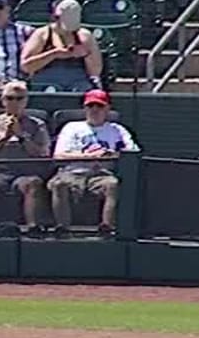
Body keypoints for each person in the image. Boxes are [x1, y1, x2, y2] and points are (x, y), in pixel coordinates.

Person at [48, 89, 138, 236]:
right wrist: (88, 156)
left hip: (101, 173)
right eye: (90, 106)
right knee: (58, 184)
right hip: (72, 172)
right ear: (85, 108)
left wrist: (110, 154)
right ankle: (62, 229)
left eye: (99, 106)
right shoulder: (72, 127)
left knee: (113, 185)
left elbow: (133, 152)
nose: (94, 110)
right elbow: (59, 156)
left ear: (107, 108)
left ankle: (107, 229)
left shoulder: (117, 130)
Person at [0, 80, 51, 232]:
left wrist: (21, 135)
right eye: (9, 98)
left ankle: (33, 228)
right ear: (2, 100)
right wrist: (4, 138)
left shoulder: (37, 124)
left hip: (25, 173)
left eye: (19, 98)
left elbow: (43, 153)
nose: (14, 102)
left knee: (33, 183)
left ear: (26, 101)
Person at [19, 0, 101, 92]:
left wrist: (86, 54)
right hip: (46, 87)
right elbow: (26, 66)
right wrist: (54, 54)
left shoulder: (85, 36)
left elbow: (95, 72)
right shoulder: (42, 34)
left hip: (77, 86)